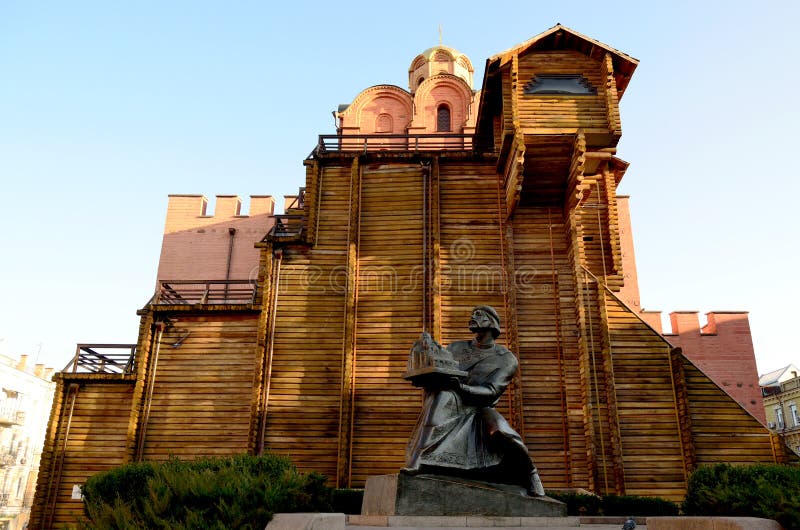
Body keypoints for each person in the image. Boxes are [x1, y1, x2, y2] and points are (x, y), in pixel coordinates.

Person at [404, 305, 545, 496]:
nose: (473, 317)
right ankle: (419, 461)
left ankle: (530, 472)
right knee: (440, 398)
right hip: (451, 400)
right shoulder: (455, 347)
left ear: (492, 323)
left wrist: (461, 387)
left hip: (480, 405)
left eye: (480, 315)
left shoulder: (505, 359)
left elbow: (492, 391)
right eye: (473, 314)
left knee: (499, 431)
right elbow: (440, 368)